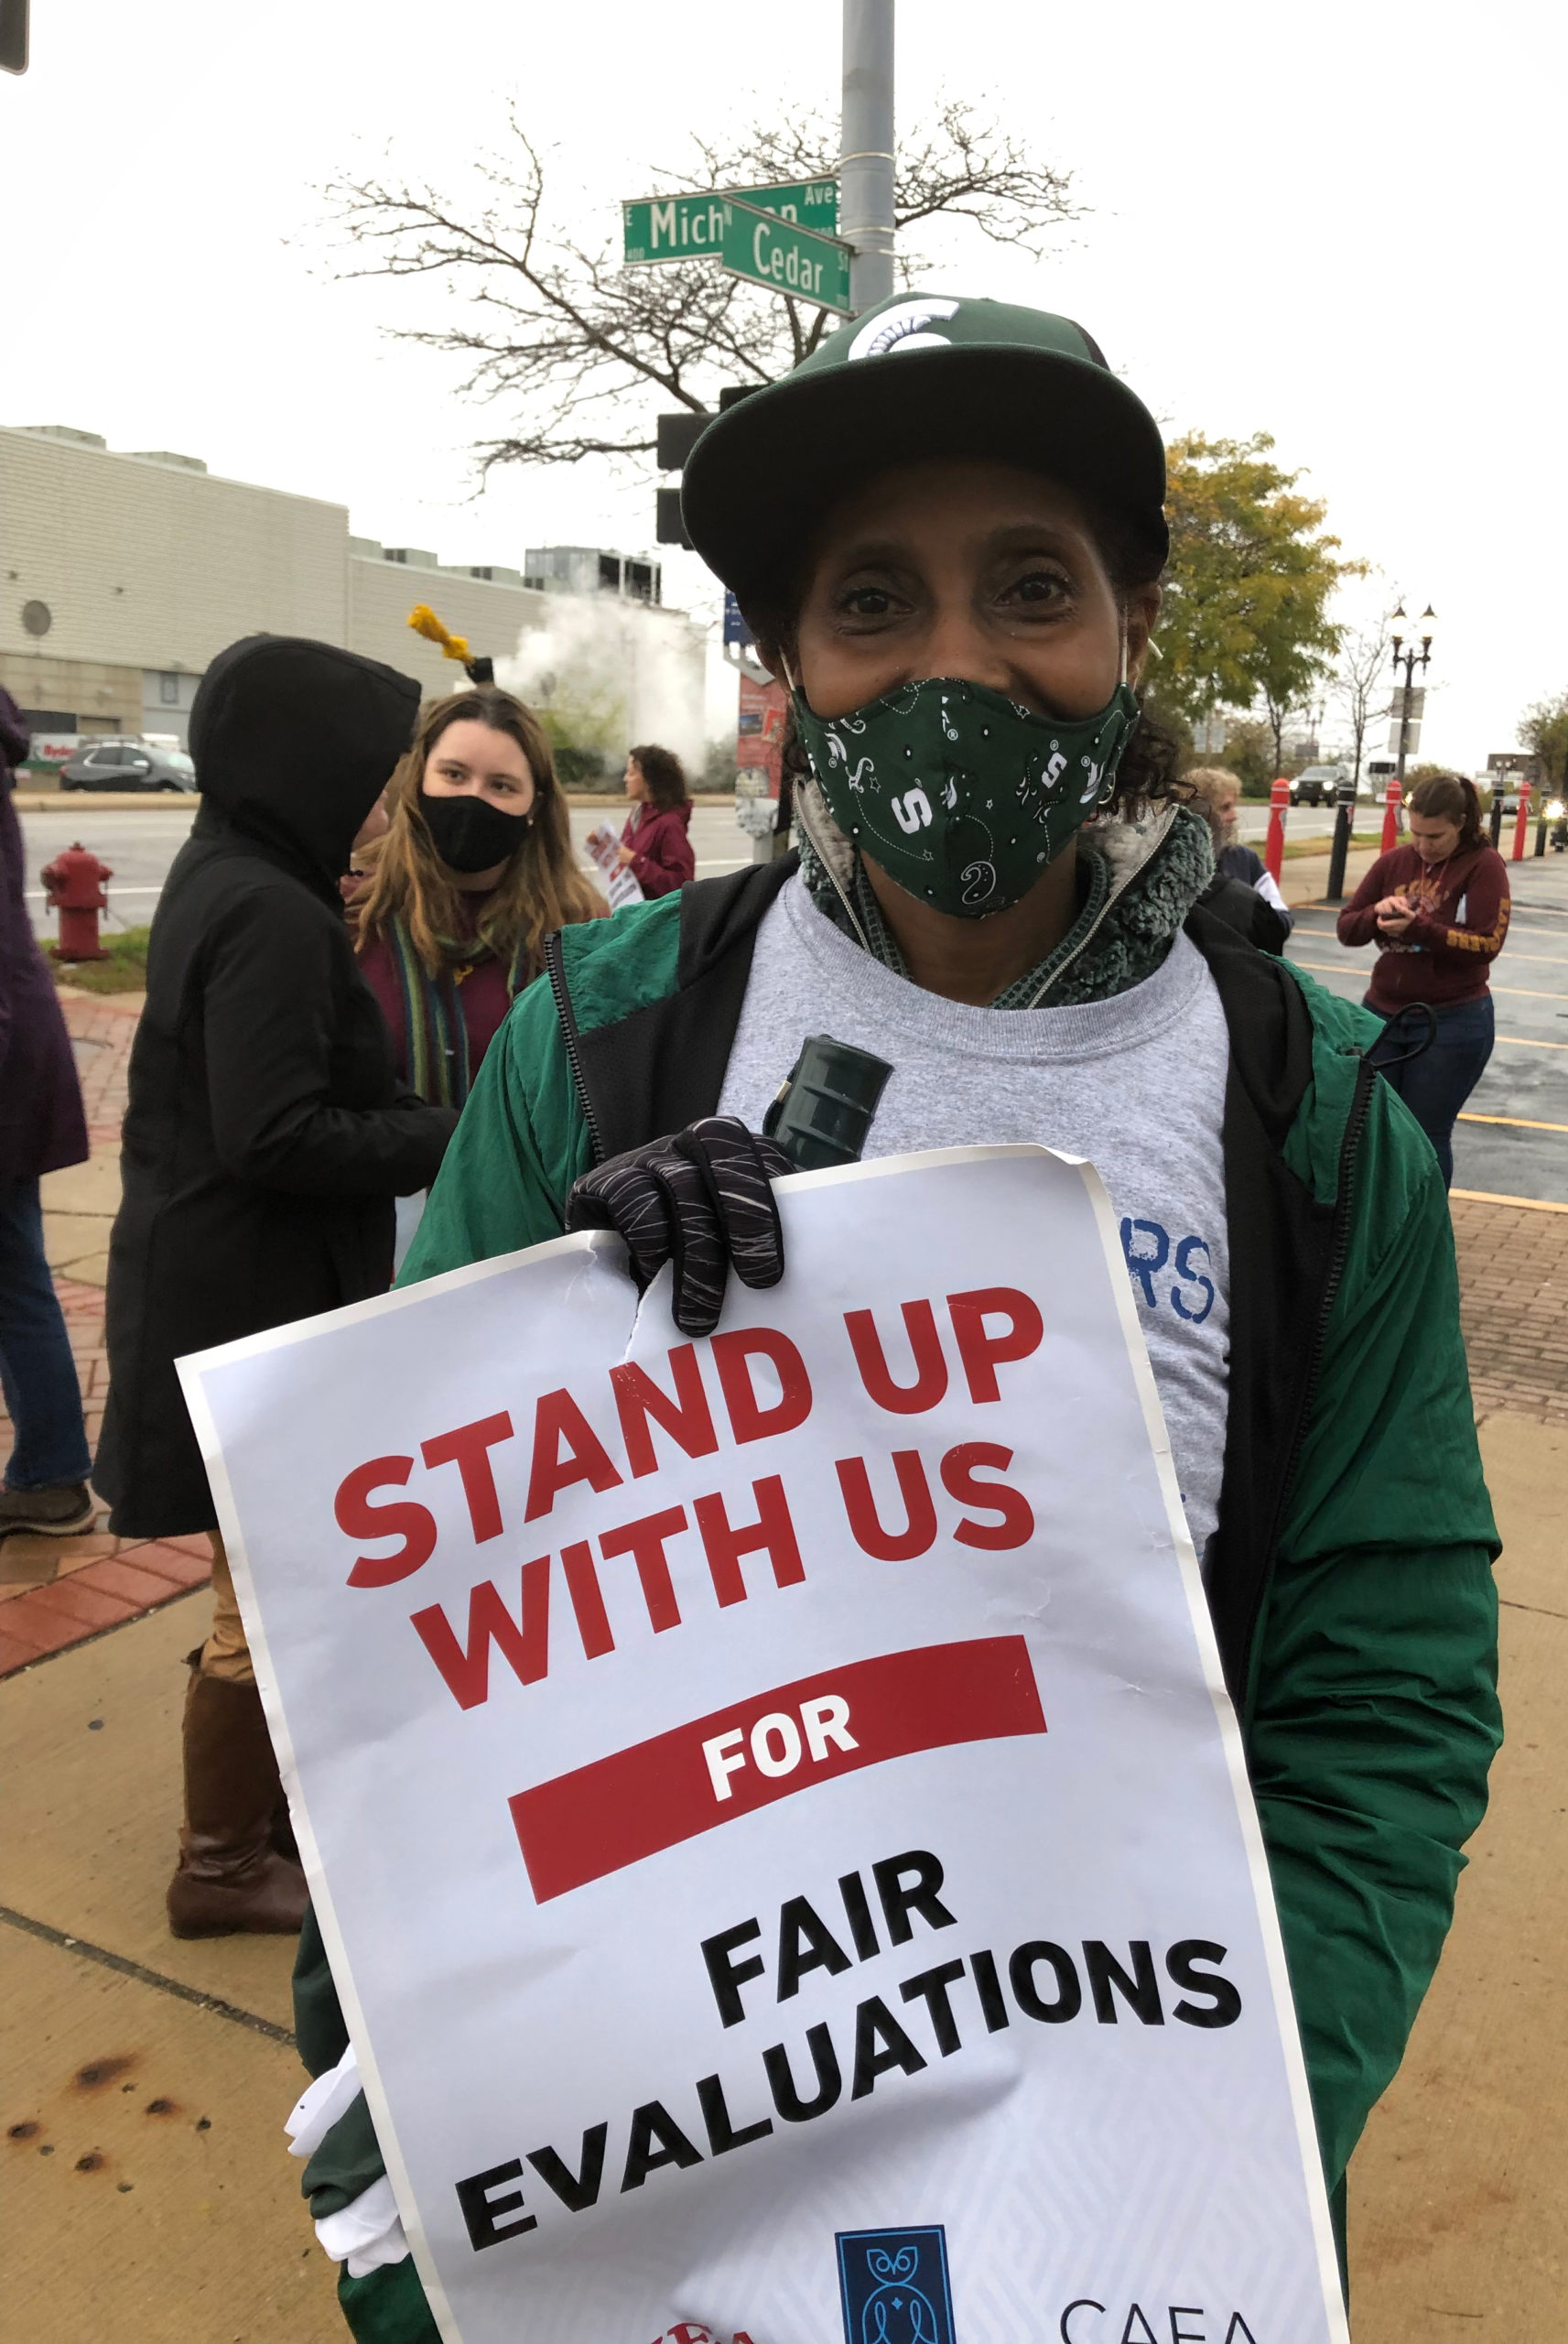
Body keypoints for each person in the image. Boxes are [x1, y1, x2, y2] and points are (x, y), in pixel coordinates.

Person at [287, 296, 1499, 2337]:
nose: (956, 662)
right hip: (667, 2175)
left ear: (1130, 625)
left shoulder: (1310, 1116)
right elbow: (403, 1676)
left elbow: (1383, 1692)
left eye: (1031, 585)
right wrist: (553, 1365)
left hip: (1121, 2200)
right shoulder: (606, 1041)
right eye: (872, 602)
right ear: (791, 666)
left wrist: (1216, 2125)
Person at [93, 637, 460, 1940]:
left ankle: (268, 1820)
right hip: (248, 1301)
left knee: (273, 1575)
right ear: (307, 771)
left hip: (223, 1283)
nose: (385, 805)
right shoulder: (271, 911)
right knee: (260, 1588)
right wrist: (446, 1131)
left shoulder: (232, 872)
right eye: (370, 778)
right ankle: (221, 1862)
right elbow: (274, 1132)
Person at [351, 689, 603, 1105]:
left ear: (534, 807)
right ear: (419, 777)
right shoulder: (356, 910)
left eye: (501, 785)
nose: (472, 798)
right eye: (453, 775)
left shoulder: (579, 928)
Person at [0, 687, 98, 1538]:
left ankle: (52, 1473)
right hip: (18, 1048)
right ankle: (50, 1469)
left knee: (15, 1276)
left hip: (7, 1058)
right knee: (15, 1273)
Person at [1335, 770, 1509, 1187]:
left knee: (1424, 1134)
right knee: (1372, 1128)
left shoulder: (1484, 865)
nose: (1423, 846)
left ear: (1460, 824)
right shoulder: (1395, 862)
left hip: (1452, 1019)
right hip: (1384, 1014)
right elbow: (1346, 929)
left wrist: (1419, 929)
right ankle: (1376, 1218)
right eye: (1415, 834)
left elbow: (1488, 944)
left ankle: (1423, 1222)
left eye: (1435, 836)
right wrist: (1376, 913)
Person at [1190, 764, 1292, 950]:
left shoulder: (1244, 859)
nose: (1234, 816)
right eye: (1225, 807)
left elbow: (1282, 919)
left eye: (1234, 806)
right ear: (1200, 812)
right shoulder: (1172, 860)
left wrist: (1247, 916)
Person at [618, 742, 695, 896]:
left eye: (631, 773)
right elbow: (623, 856)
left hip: (654, 910)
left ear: (649, 780)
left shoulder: (670, 824)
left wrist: (636, 863)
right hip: (633, 907)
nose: (625, 779)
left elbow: (681, 884)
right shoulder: (636, 816)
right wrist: (602, 844)